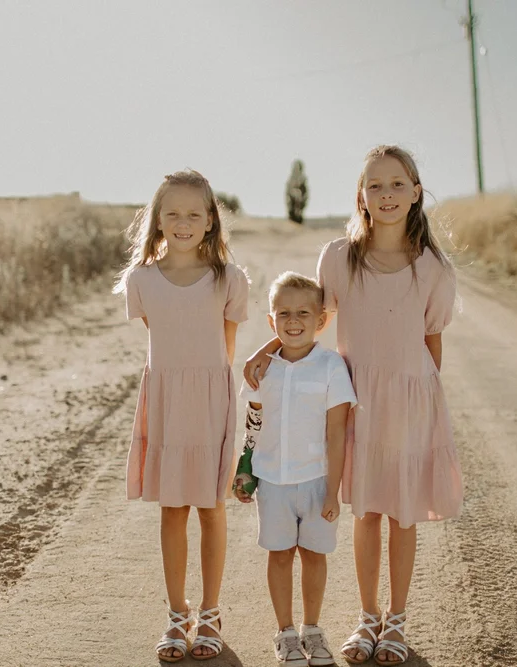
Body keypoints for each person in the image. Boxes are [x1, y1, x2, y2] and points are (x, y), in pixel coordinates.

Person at [244, 146, 464, 665]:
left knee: (402, 514)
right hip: (355, 398)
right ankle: (368, 618)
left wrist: (423, 398)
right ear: (361, 197)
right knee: (366, 511)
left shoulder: (433, 266)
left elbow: (432, 342)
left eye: (397, 184)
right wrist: (267, 347)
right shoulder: (339, 258)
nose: (386, 195)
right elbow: (309, 320)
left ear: (415, 192)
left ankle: (398, 622)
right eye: (375, 186)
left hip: (409, 400)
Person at [115, 169, 249, 662]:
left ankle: (211, 612)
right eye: (172, 213)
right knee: (173, 509)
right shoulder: (143, 280)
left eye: (195, 213)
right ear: (157, 221)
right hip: (168, 401)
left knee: (212, 508)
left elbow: (226, 348)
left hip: (210, 399)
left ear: (211, 220)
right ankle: (177, 613)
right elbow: (159, 333)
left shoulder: (229, 280)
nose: (183, 221)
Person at [234, 271, 356, 666]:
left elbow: (337, 432)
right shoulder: (262, 368)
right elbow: (253, 423)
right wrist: (245, 469)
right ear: (271, 321)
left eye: (304, 312)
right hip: (272, 480)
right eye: (283, 313)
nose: (293, 320)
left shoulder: (331, 366)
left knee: (314, 554)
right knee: (281, 554)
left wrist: (333, 490)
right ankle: (285, 633)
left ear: (321, 319)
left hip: (317, 480)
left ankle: (313, 631)